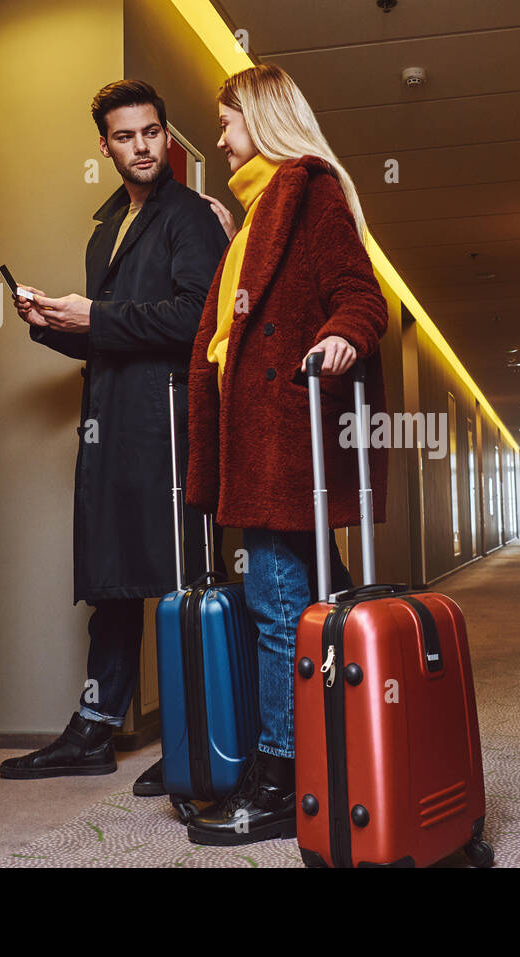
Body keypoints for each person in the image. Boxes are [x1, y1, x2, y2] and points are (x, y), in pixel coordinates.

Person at [0, 80, 229, 795]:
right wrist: (52, 323)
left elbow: (196, 318)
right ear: (105, 146)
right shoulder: (107, 227)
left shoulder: (189, 216)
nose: (142, 146)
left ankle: (194, 733)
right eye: (126, 136)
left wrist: (93, 315)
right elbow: (111, 336)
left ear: (167, 135)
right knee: (113, 580)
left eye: (152, 132)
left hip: (166, 423)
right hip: (109, 423)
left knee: (176, 575)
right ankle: (95, 727)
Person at [182, 64, 390, 846]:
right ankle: (307, 762)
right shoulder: (262, 213)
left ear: (262, 120)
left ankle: (279, 779)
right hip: (266, 439)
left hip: (284, 437)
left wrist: (341, 334)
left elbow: (359, 294)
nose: (219, 134)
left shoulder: (308, 189)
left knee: (276, 605)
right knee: (294, 605)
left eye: (228, 119)